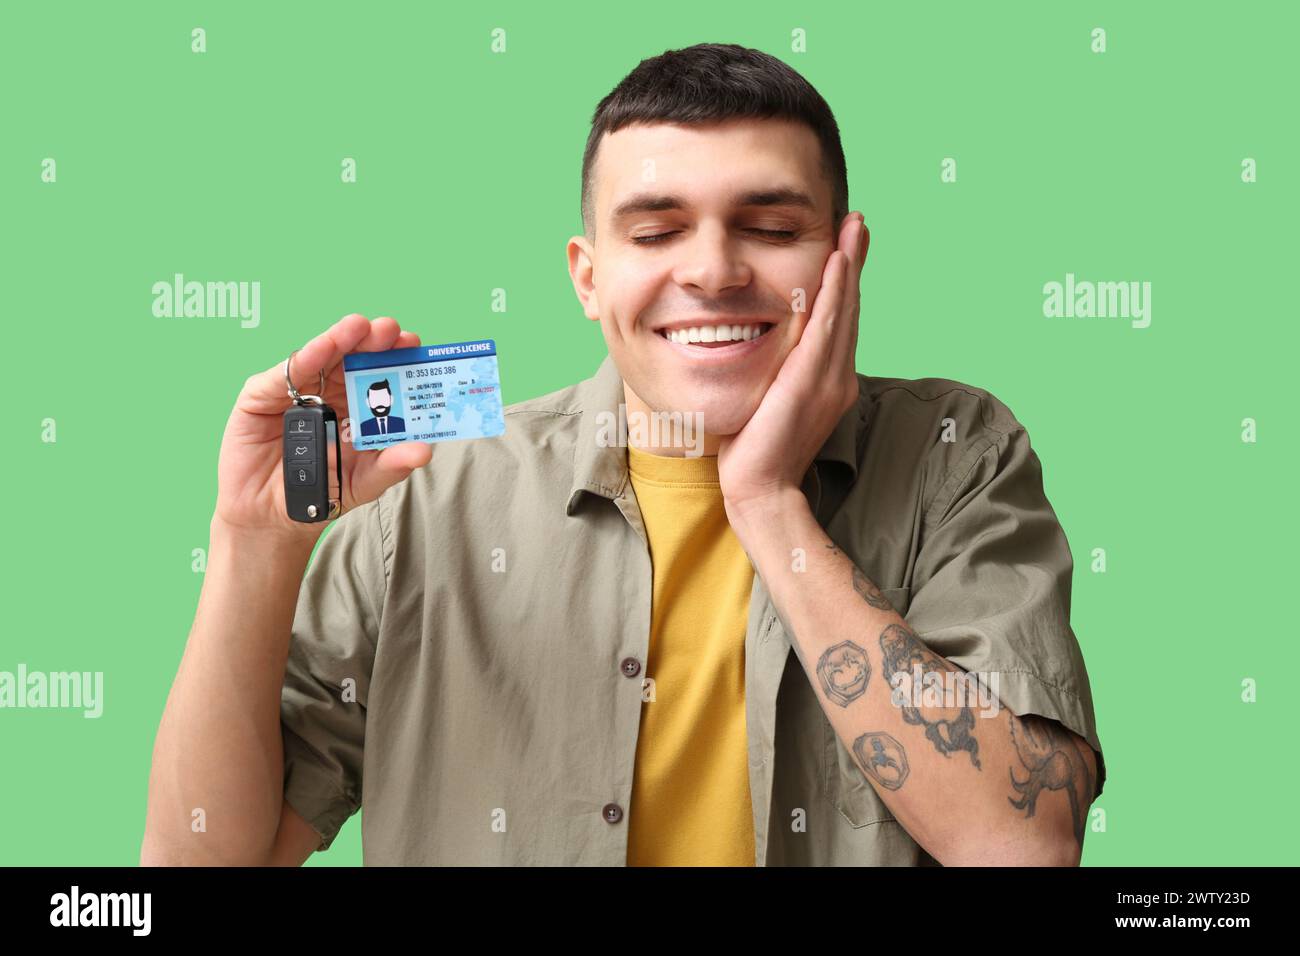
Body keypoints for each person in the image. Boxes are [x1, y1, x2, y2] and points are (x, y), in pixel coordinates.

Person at [141, 42, 1105, 867]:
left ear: (843, 255)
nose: (716, 270)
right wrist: (251, 542)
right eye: (657, 231)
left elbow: (1021, 846)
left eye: (771, 228)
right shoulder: (422, 497)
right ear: (589, 277)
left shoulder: (955, 455)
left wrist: (767, 501)